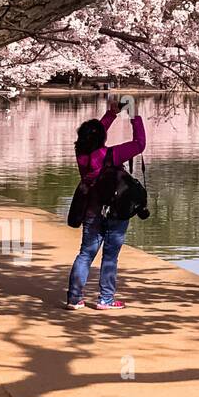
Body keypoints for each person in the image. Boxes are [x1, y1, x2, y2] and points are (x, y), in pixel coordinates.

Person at [66, 95, 146, 311]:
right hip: (115, 211)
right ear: (101, 137)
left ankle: (74, 298)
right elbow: (140, 144)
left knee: (85, 254)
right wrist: (134, 117)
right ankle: (106, 299)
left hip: (91, 212)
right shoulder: (113, 154)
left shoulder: (81, 154)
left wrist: (111, 114)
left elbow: (95, 134)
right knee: (110, 256)